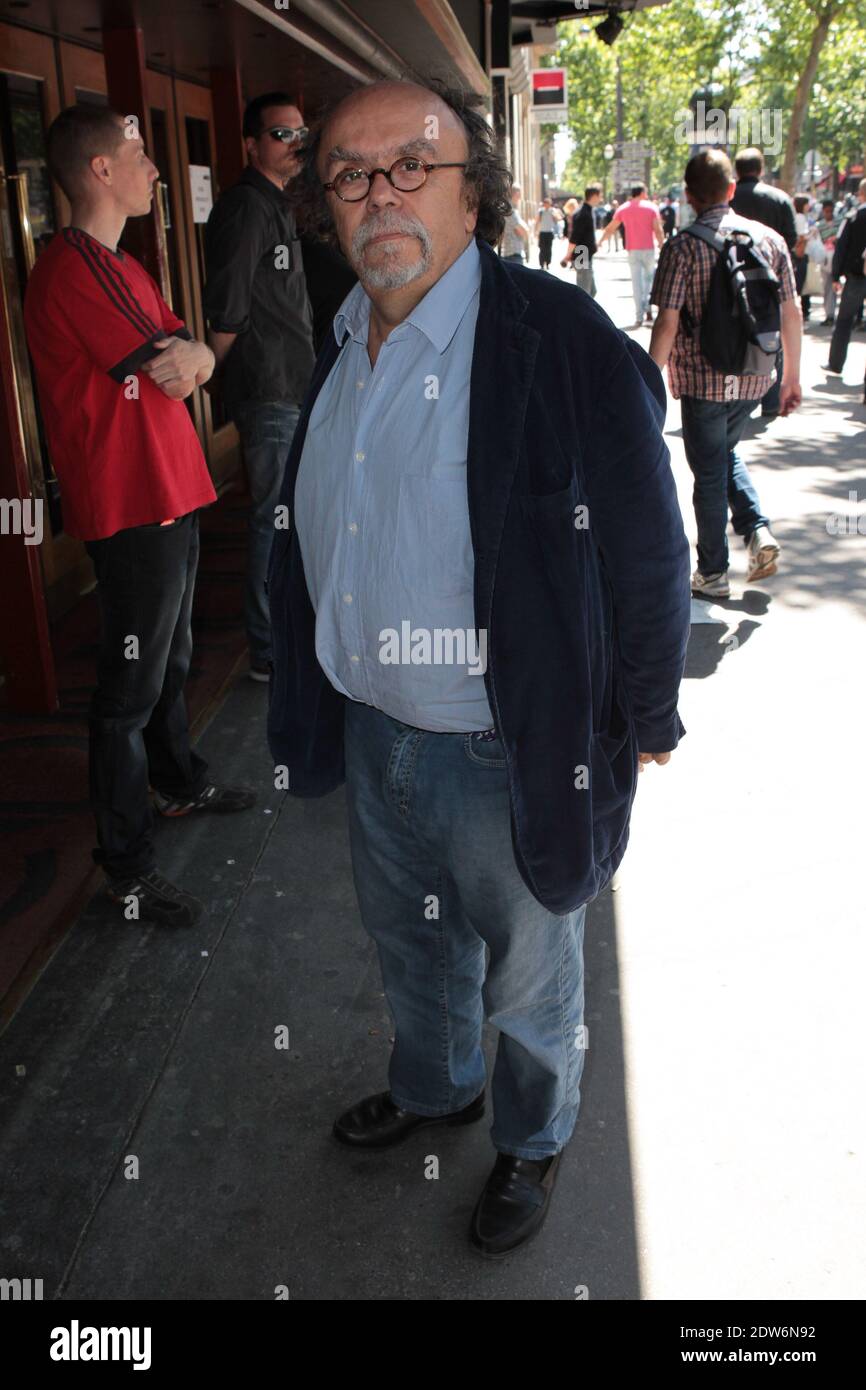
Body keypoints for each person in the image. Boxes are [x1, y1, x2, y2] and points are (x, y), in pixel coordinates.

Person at [270, 75, 690, 1258]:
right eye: (348, 173)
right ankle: (437, 1084)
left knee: (530, 971)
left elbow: (648, 549)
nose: (376, 194)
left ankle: (533, 1133)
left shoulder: (558, 345)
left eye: (411, 165)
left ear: (475, 194)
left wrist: (645, 711)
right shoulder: (344, 336)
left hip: (506, 742)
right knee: (408, 942)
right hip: (374, 726)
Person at [24, 106, 256, 929]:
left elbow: (185, 351)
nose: (154, 167)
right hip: (130, 502)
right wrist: (191, 352)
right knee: (126, 690)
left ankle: (180, 782)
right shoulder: (72, 264)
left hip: (169, 490)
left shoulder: (117, 263)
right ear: (98, 171)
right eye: (138, 153)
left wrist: (192, 351)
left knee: (169, 658)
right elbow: (169, 364)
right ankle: (124, 864)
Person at [649, 148, 802, 599]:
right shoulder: (770, 241)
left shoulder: (681, 246)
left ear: (690, 196)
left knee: (710, 472)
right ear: (732, 189)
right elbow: (791, 312)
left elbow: (668, 321)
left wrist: (645, 379)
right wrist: (792, 378)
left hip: (702, 381)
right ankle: (757, 531)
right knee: (723, 453)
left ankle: (714, 572)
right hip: (756, 377)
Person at [203, 92, 317, 682]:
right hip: (268, 386)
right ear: (251, 144)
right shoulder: (247, 207)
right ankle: (268, 649)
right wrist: (209, 371)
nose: (295, 145)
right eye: (281, 135)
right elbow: (227, 306)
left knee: (289, 515)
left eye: (301, 134)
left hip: (290, 383)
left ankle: (281, 637)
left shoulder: (279, 203)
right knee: (273, 517)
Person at [731, 148, 796, 417]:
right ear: (760, 169)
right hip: (771, 280)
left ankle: (734, 397)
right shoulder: (779, 199)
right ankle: (769, 400)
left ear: (737, 171)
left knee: (734, 332)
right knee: (772, 334)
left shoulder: (728, 196)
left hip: (731, 277)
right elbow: (791, 239)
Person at [597, 182, 664, 327]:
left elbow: (611, 228)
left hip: (632, 249)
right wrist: (662, 244)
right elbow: (657, 229)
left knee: (636, 282)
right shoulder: (651, 207)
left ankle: (639, 315)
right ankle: (647, 307)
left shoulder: (623, 209)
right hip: (648, 248)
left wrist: (601, 241)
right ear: (641, 193)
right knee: (649, 280)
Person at [825, 177, 866, 374]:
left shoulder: (854, 216)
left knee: (844, 321)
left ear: (861, 194)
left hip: (856, 277)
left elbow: (842, 246)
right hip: (856, 275)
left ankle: (836, 362)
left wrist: (835, 276)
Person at [560, 183, 601, 296]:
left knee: (591, 291)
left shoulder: (588, 211)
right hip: (582, 254)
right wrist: (568, 255)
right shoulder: (582, 213)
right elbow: (574, 238)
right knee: (584, 293)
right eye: (599, 196)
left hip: (585, 254)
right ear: (594, 196)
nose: (600, 198)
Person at [817, 199, 840, 324]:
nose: (829, 213)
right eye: (827, 211)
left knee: (833, 286)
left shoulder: (839, 222)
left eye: (831, 211)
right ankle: (828, 314)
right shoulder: (819, 226)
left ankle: (831, 314)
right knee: (827, 287)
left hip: (836, 259)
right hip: (825, 260)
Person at [499, 182, 529, 262]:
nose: (520, 196)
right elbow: (523, 231)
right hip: (512, 254)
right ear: (516, 193)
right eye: (520, 193)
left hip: (512, 254)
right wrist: (525, 231)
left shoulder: (510, 208)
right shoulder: (510, 210)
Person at [534, 195, 563, 269]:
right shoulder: (540, 211)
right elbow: (537, 221)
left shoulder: (553, 210)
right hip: (542, 232)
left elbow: (560, 218)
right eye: (545, 203)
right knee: (542, 249)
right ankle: (541, 264)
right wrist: (536, 231)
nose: (546, 205)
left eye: (548, 203)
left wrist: (554, 215)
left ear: (550, 204)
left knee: (548, 249)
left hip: (550, 232)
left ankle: (547, 263)